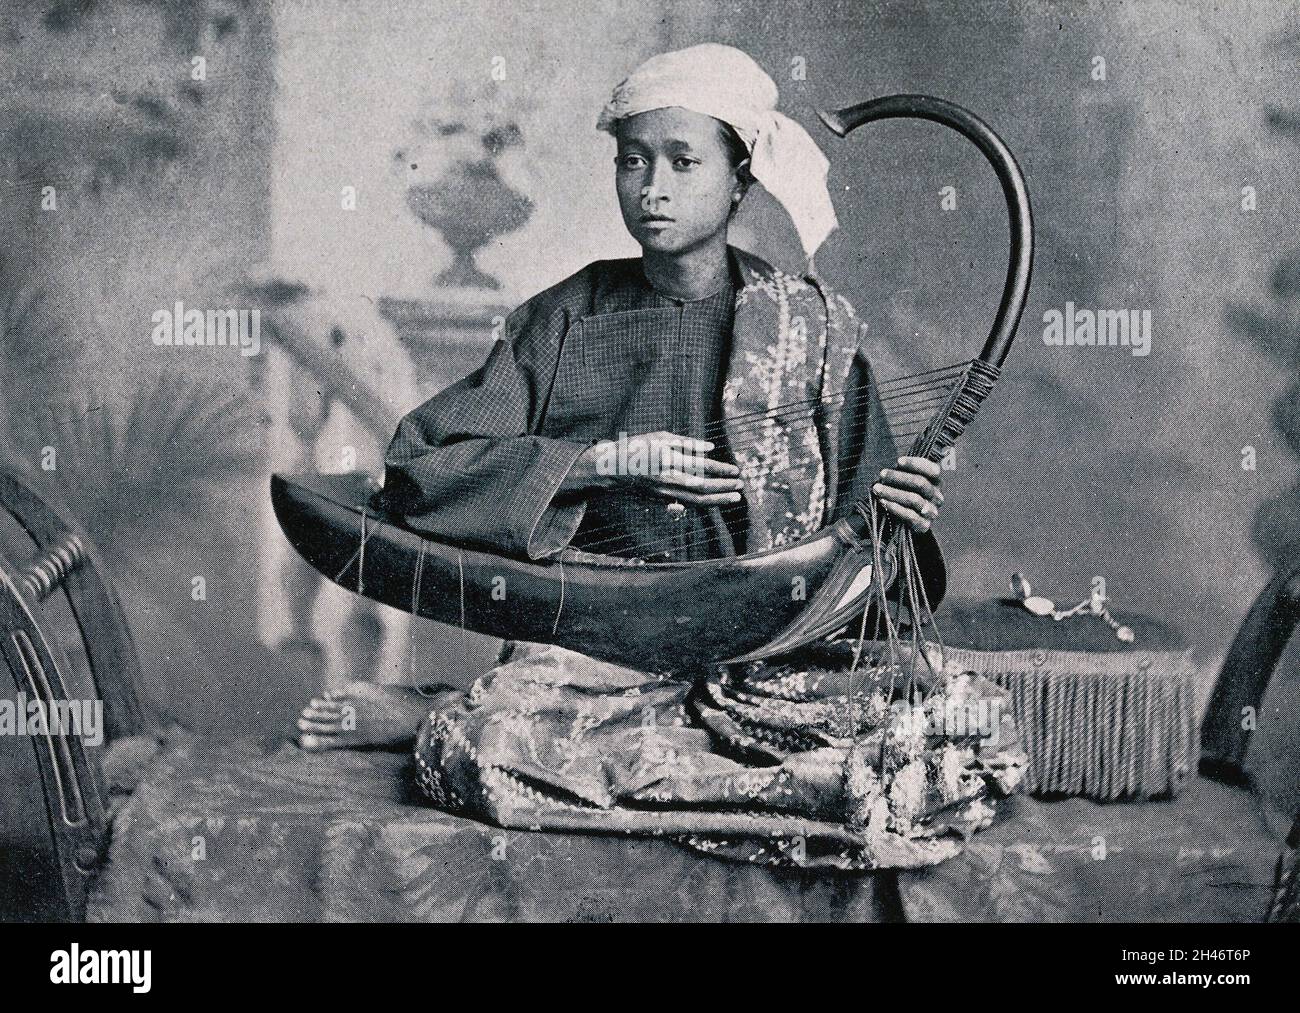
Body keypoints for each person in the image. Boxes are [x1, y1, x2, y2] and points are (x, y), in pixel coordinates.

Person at [295, 44, 948, 754]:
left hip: (768, 647)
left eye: (683, 161)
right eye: (633, 160)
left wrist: (900, 514)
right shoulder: (566, 317)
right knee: (513, 748)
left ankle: (462, 712)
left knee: (906, 716)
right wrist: (602, 463)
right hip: (597, 646)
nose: (652, 187)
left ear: (739, 182)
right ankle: (446, 715)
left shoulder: (808, 328)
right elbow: (421, 466)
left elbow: (866, 553)